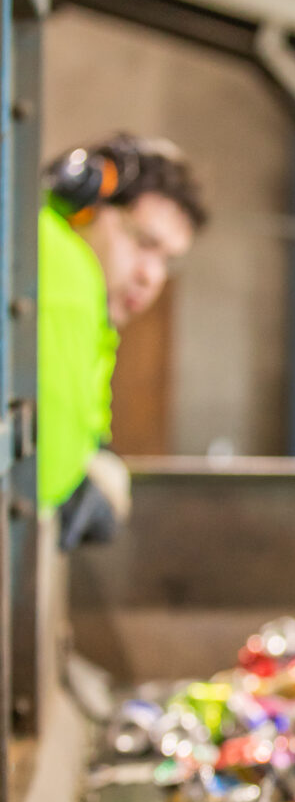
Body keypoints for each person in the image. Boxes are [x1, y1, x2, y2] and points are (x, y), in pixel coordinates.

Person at [38, 134, 207, 549]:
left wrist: (94, 457)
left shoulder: (94, 308)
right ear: (83, 209)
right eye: (143, 243)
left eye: (166, 259)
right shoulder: (61, 262)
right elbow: (43, 478)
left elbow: (85, 419)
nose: (152, 276)